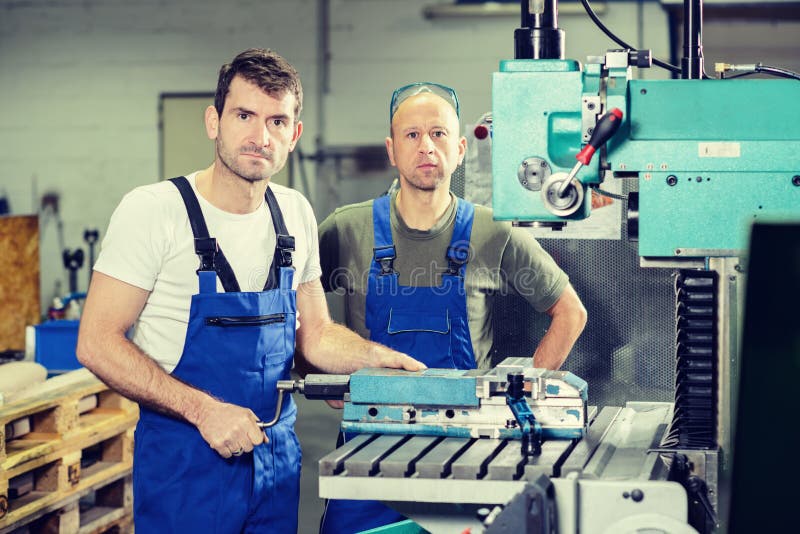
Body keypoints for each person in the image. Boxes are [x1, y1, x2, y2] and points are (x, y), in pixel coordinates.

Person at [76, 49, 424, 533]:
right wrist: (203, 411)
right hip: (186, 466)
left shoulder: (295, 212)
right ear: (213, 121)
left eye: (278, 121)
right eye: (244, 115)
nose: (261, 136)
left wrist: (374, 360)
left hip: (275, 463)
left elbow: (316, 333)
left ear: (294, 135)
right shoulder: (154, 211)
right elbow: (96, 342)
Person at [317, 82, 588, 533]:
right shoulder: (346, 229)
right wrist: (320, 369)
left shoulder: (493, 232)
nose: (427, 146)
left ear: (460, 149)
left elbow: (570, 312)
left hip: (468, 460)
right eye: (412, 135)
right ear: (391, 149)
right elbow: (290, 308)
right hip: (363, 458)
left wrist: (521, 394)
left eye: (439, 134)